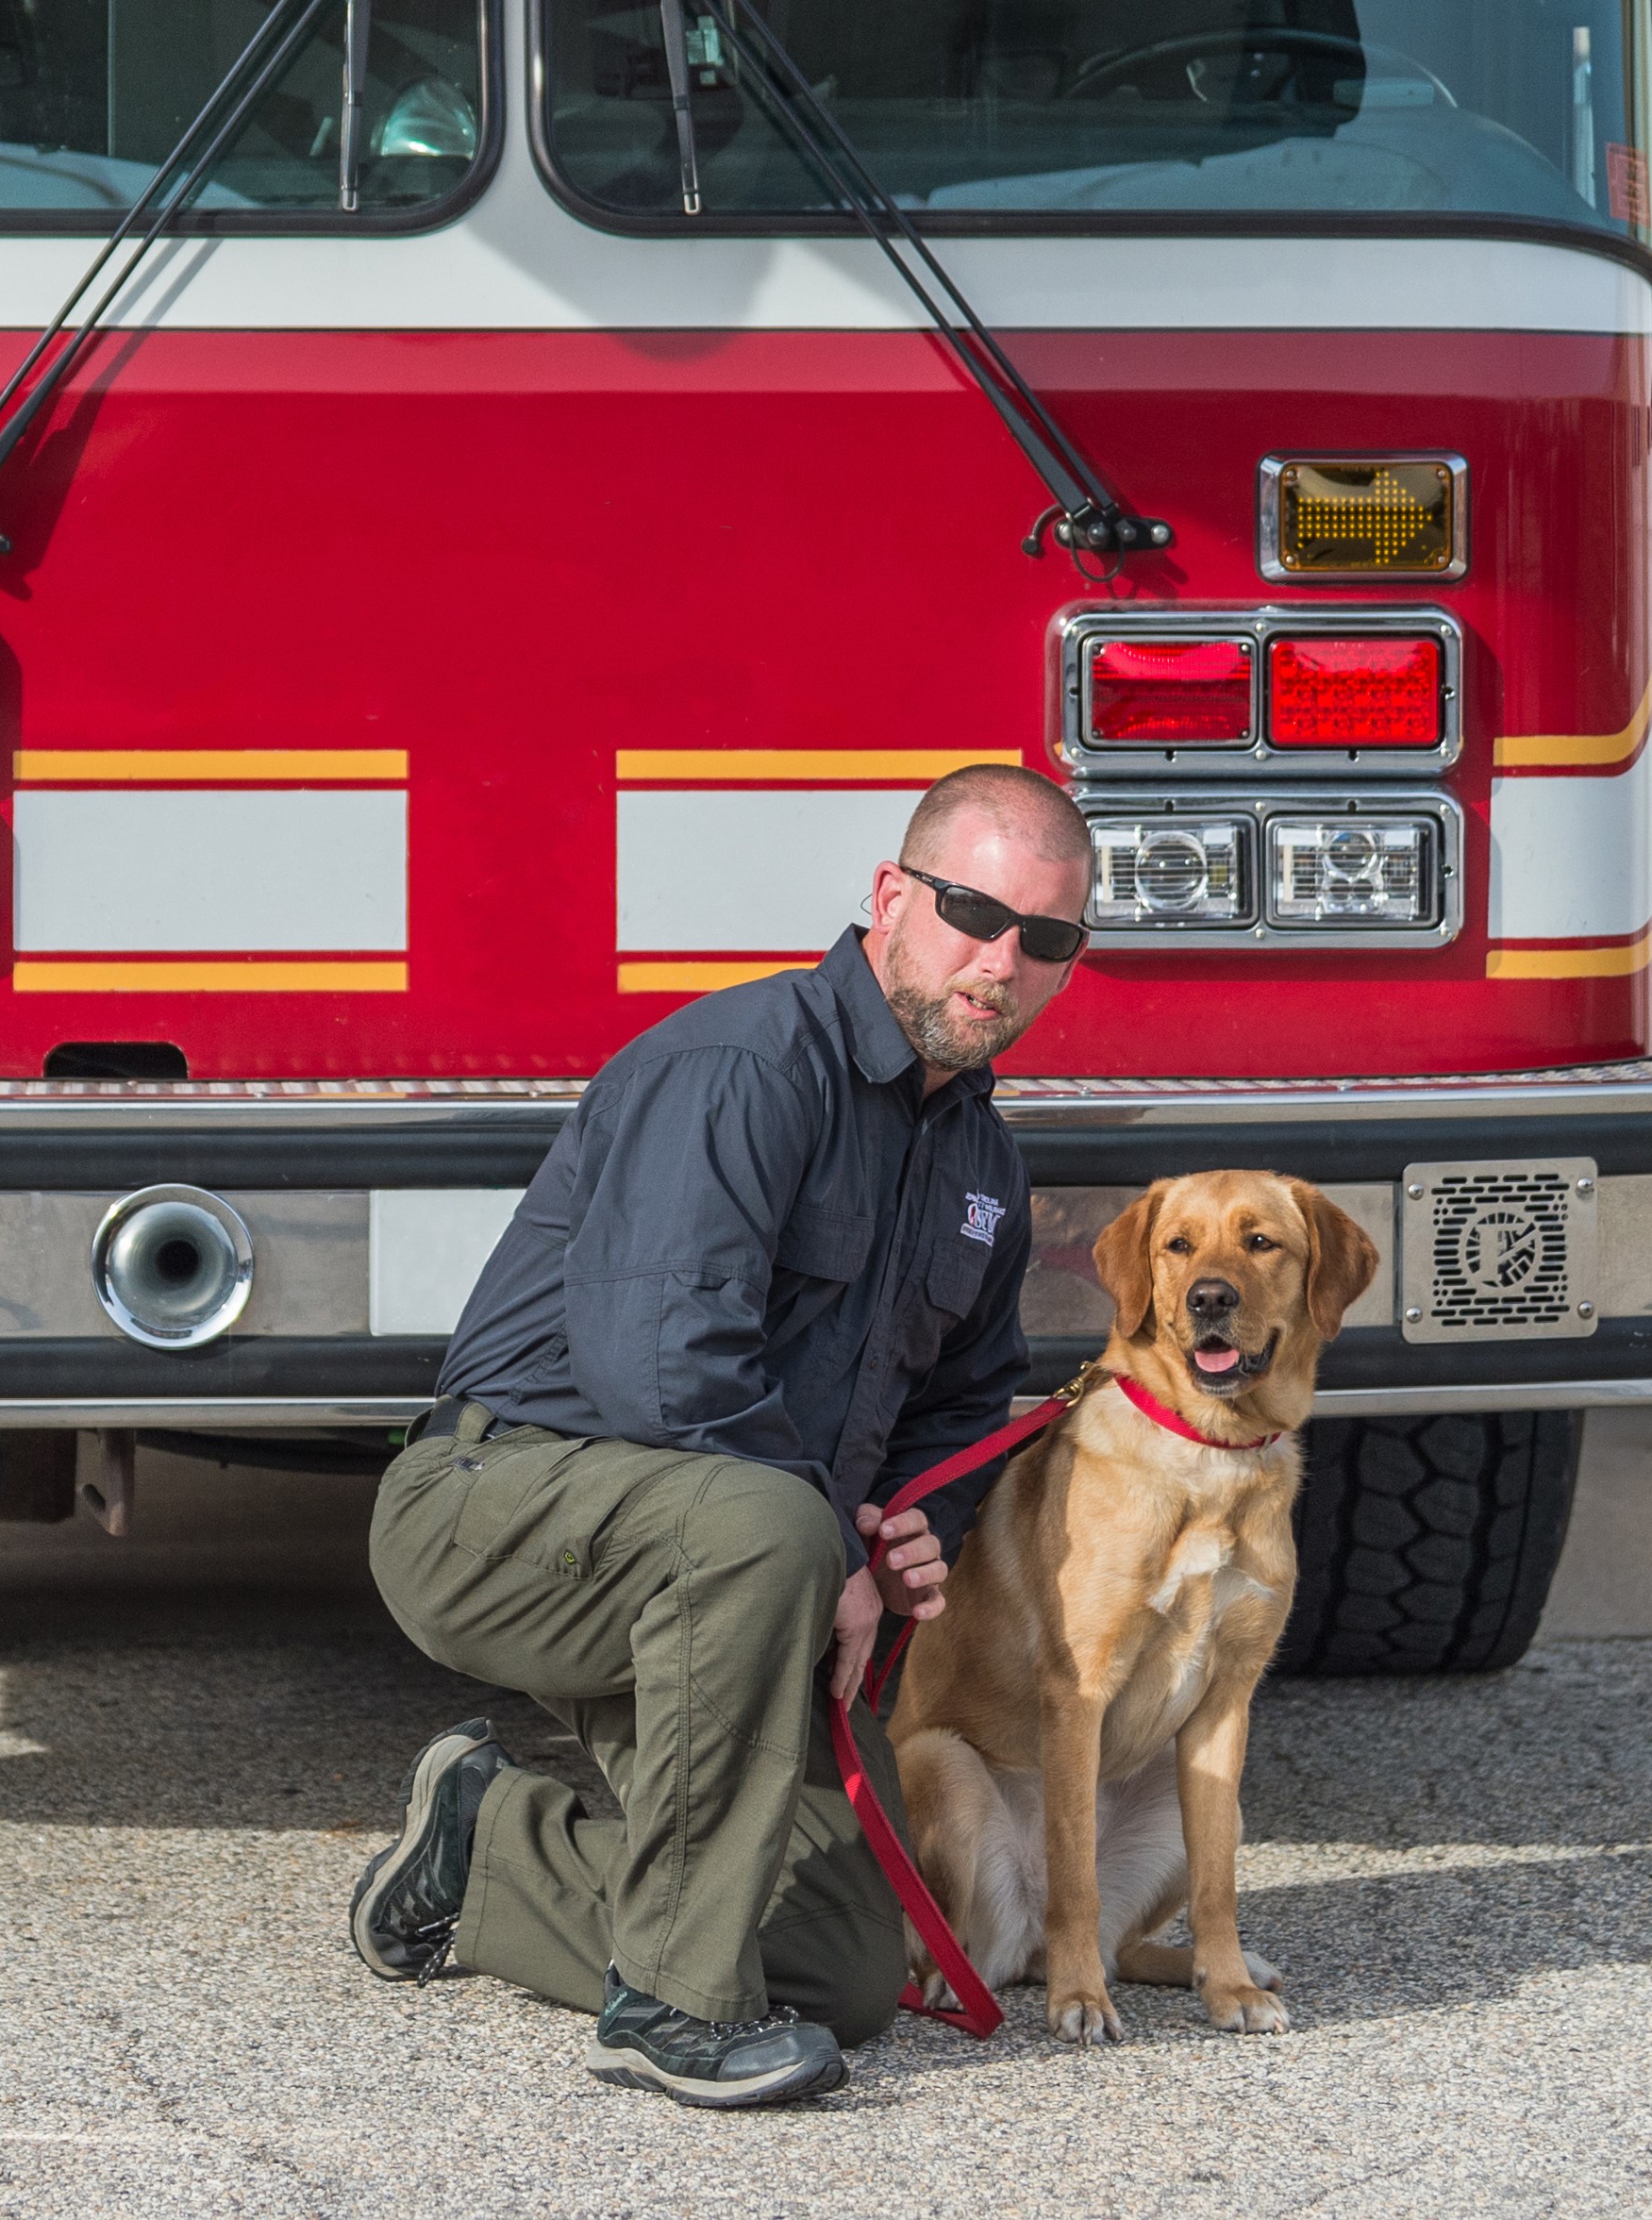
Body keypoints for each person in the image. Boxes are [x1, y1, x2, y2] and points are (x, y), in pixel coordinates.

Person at [349, 762, 1095, 2108]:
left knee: (841, 1968)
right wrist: (829, 1545)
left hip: (732, 1568)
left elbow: (958, 1412)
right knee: (763, 1521)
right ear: (889, 895)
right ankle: (670, 2014)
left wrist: (909, 1533)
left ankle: (486, 1845)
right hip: (492, 1510)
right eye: (974, 913)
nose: (1001, 960)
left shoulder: (982, 1166)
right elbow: (660, 1373)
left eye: (1045, 938)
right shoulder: (742, 1068)